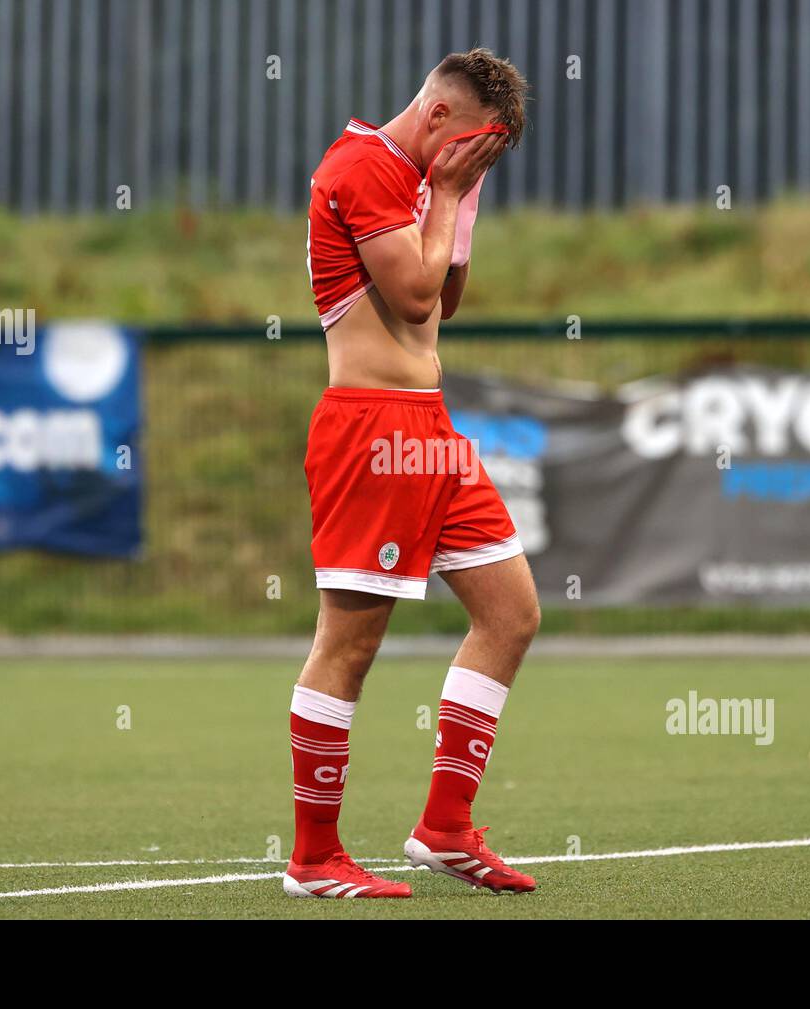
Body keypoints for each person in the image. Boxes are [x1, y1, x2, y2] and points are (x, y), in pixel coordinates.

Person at [286, 49, 538, 899]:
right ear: (437, 119)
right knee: (348, 644)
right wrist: (452, 195)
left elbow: (447, 298)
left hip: (428, 428)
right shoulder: (359, 165)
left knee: (510, 614)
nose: (472, 166)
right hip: (370, 430)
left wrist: (456, 205)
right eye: (471, 148)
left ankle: (445, 828)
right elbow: (416, 296)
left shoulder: (420, 175)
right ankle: (314, 857)